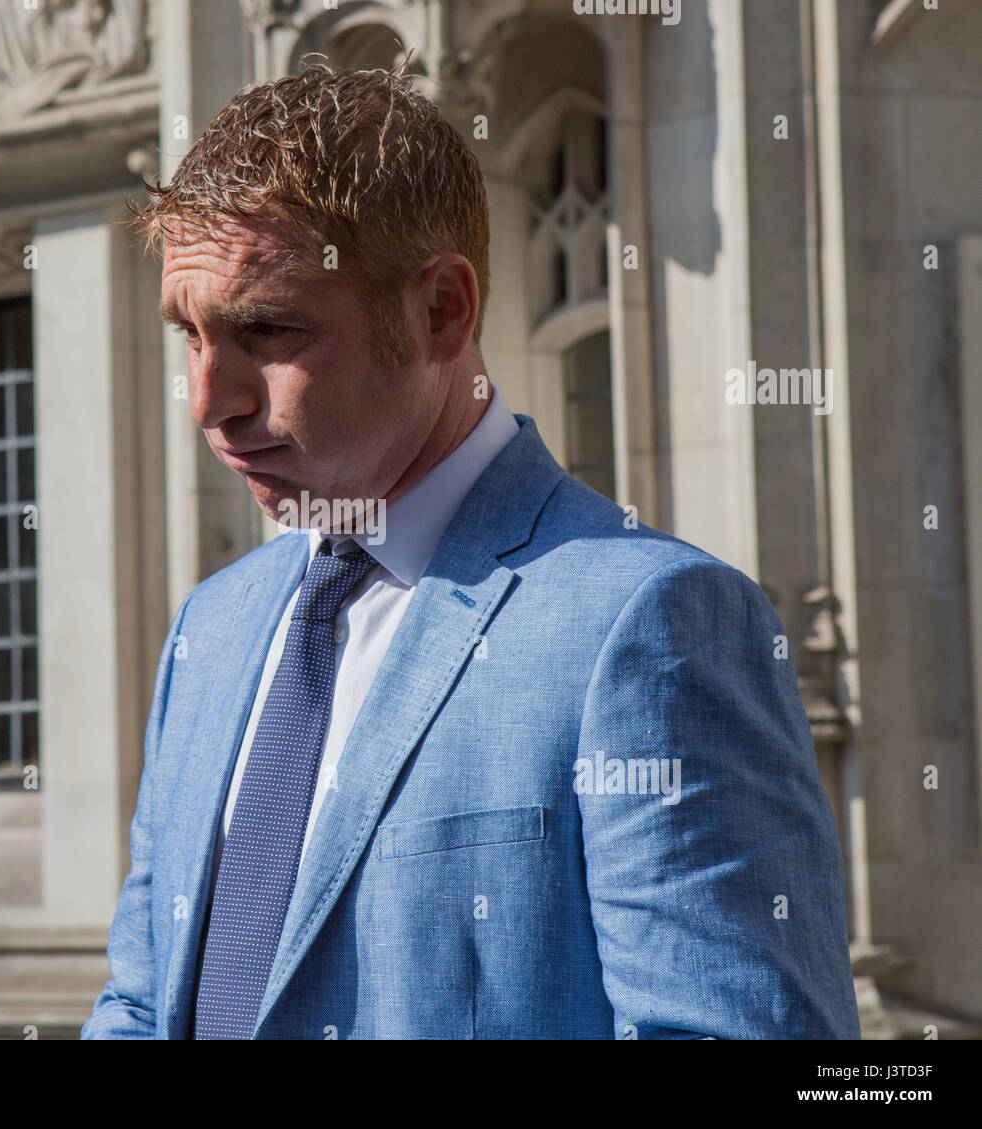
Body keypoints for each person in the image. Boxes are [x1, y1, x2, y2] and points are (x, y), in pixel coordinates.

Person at [80, 58, 861, 1039]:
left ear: (442, 310)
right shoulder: (213, 625)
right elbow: (144, 1003)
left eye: (267, 330)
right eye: (188, 336)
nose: (209, 400)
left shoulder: (658, 622)